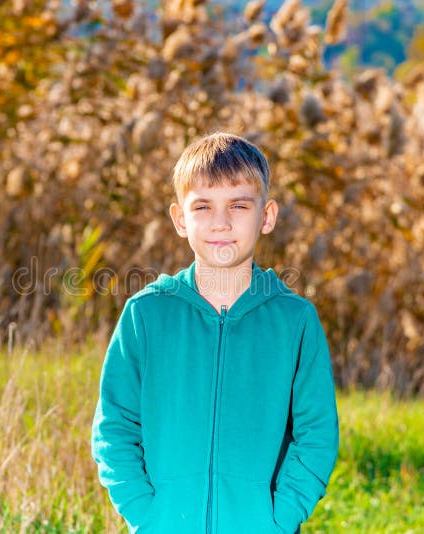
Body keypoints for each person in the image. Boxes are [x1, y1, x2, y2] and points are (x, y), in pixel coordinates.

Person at [91, 132, 339, 533]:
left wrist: (280, 519)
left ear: (267, 216)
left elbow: (316, 433)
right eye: (203, 206)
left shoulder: (294, 321)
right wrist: (146, 514)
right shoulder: (146, 315)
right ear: (179, 219)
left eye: (239, 205)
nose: (220, 222)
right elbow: (115, 426)